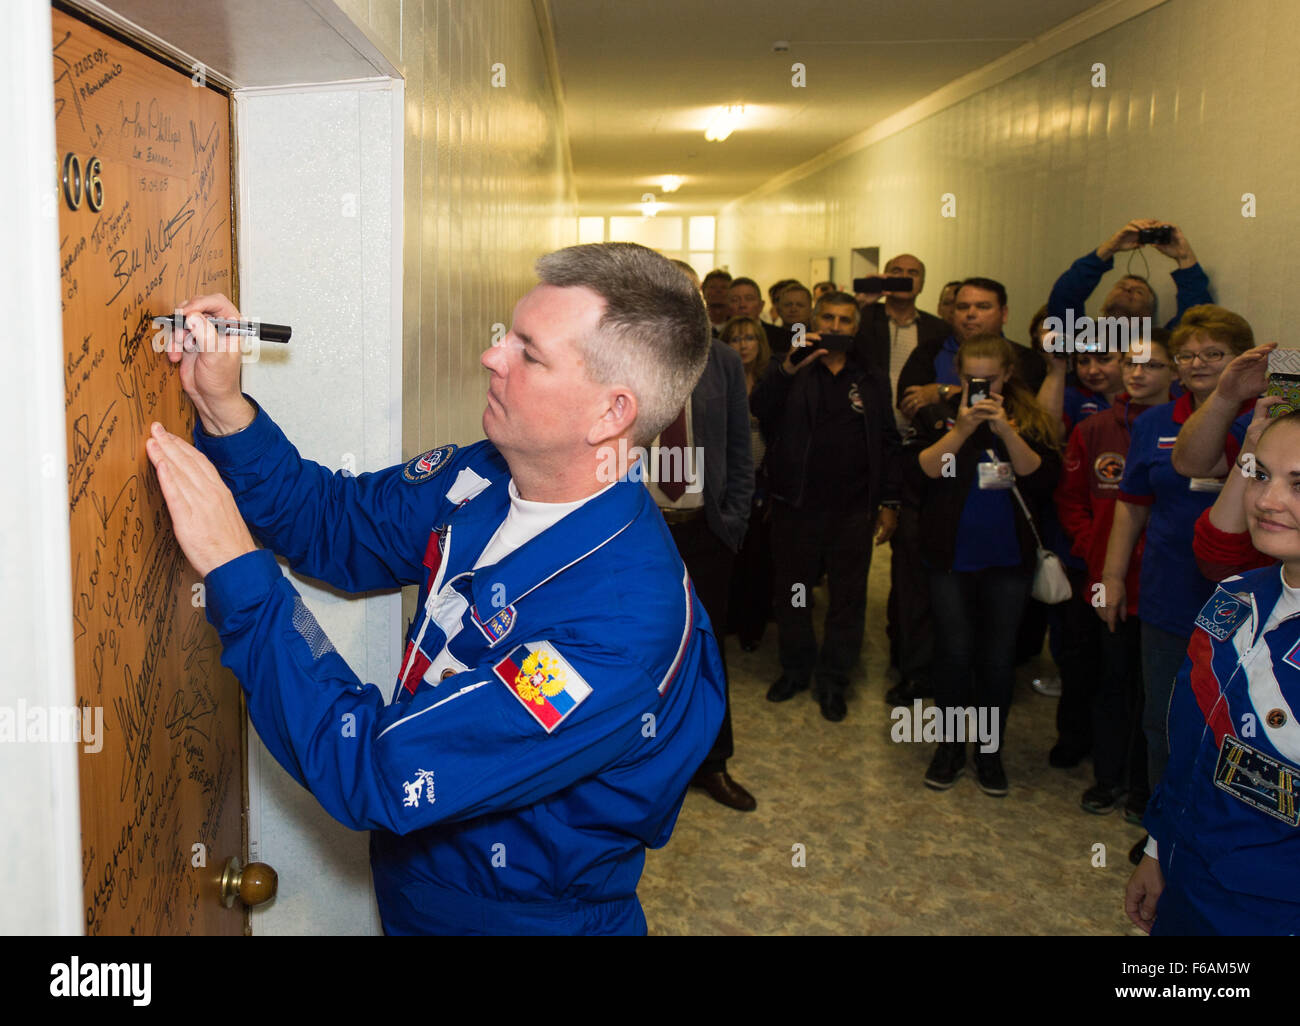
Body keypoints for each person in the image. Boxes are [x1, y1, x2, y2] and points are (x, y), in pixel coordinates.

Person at [143, 242, 727, 936]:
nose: (491, 356)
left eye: (528, 353)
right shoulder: (486, 476)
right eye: (508, 335)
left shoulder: (616, 633)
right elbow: (334, 525)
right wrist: (223, 407)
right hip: (419, 890)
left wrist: (238, 571)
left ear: (610, 414)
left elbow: (377, 768)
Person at [1125, 410, 1300, 935]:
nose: (1267, 501)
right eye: (1260, 473)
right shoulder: (1235, 596)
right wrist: (1158, 847)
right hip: (1187, 879)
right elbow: (1191, 744)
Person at [1100, 305, 1257, 859]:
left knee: (1236, 724)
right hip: (1170, 590)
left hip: (1249, 598)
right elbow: (1132, 506)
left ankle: (1218, 833)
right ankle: (1165, 828)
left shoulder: (1268, 420)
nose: (1196, 363)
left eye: (1212, 354)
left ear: (1241, 358)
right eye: (1188, 354)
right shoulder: (1154, 422)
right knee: (1164, 719)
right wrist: (1113, 578)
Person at [911, 335, 1062, 795]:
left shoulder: (1030, 416)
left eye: (990, 378)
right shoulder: (939, 414)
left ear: (1008, 375)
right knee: (954, 654)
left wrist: (1005, 431)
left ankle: (990, 753)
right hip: (951, 558)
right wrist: (960, 429)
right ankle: (950, 747)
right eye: (971, 377)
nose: (981, 386)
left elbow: (1040, 478)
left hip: (1008, 559)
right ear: (958, 376)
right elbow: (925, 472)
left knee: (997, 660)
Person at [751, 292, 901, 721]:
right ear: (816, 322)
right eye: (829, 318)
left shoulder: (870, 376)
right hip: (796, 506)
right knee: (794, 594)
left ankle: (835, 680)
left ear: (856, 327)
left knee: (848, 600)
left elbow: (888, 442)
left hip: (854, 510)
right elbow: (759, 409)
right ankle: (796, 669)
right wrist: (787, 369)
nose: (836, 326)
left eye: (845, 320)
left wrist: (889, 501)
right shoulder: (793, 366)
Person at [1058, 334, 1176, 819]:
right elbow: (1071, 501)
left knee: (1157, 695)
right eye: (1130, 362)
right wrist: (1095, 552)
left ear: (1174, 373)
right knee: (1112, 681)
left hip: (1166, 587)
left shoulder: (1192, 431)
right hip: (1110, 581)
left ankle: (1143, 790)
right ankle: (1107, 779)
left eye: (1151, 365)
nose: (1137, 373)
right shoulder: (1095, 429)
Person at [646, 310, 757, 813]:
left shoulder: (723, 362)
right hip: (642, 531)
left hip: (705, 529)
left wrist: (734, 518)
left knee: (706, 649)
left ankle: (713, 762)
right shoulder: (627, 353)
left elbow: (739, 445)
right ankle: (648, 763)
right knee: (645, 649)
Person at [1047, 218, 1213, 335]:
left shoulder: (1156, 347)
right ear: (1104, 304)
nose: (1127, 290)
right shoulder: (1084, 337)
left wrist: (1184, 257)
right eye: (1121, 287)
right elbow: (1064, 297)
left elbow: (1196, 320)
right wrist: (1110, 248)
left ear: (1148, 315)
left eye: (1138, 291)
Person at [722, 316, 774, 652]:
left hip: (764, 481)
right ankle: (728, 619)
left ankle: (753, 625)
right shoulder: (718, 381)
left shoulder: (772, 382)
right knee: (731, 555)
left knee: (759, 557)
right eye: (736, 338)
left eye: (750, 338)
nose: (743, 345)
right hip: (727, 483)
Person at [702, 269, 733, 335]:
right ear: (703, 292)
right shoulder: (695, 324)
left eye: (724, 287)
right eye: (713, 287)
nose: (718, 291)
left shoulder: (736, 326)